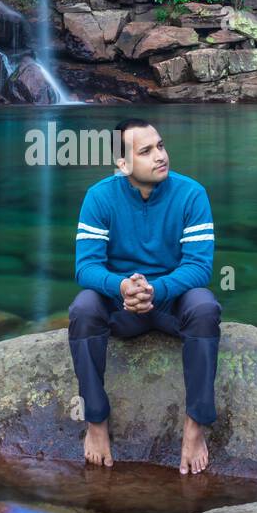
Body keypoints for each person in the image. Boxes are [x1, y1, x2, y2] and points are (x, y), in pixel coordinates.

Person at [68, 118, 222, 475]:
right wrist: (121, 287)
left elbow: (199, 267)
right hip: (123, 307)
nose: (160, 156)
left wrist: (158, 289)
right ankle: (96, 422)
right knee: (84, 307)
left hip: (170, 303)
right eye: (146, 151)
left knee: (204, 305)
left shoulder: (191, 194)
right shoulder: (100, 197)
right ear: (122, 165)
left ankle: (195, 427)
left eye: (161, 146)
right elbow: (86, 267)